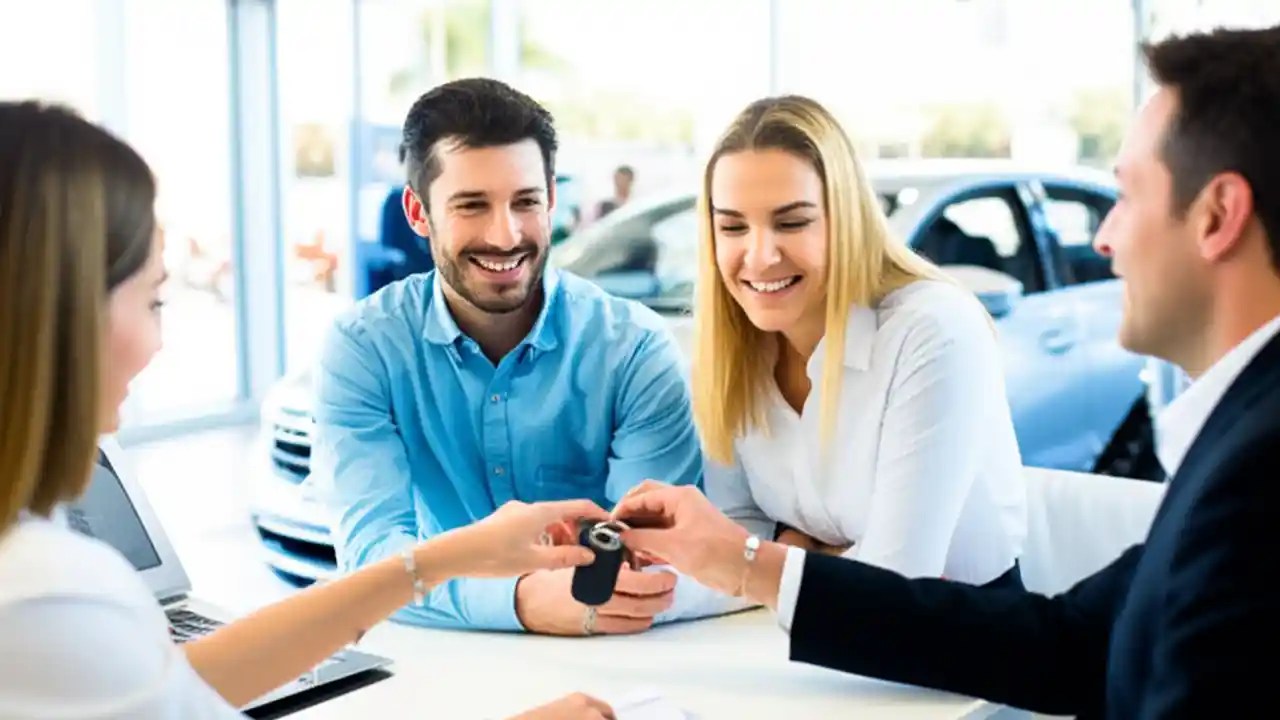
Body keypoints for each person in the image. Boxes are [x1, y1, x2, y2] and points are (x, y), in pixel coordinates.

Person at [611, 25, 1280, 719]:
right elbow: (1074, 642)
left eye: (1127, 196)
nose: (1103, 238)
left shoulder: (1255, 470)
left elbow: (899, 578)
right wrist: (750, 558)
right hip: (855, 652)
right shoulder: (1234, 445)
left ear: (1219, 215)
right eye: (732, 226)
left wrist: (757, 559)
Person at [0, 101, 615, 720]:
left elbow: (170, 686)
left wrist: (451, 556)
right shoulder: (45, 595)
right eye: (154, 300)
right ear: (56, 314)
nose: (159, 342)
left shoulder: (44, 588)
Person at [310, 78, 739, 637]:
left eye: (526, 202)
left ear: (552, 201)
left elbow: (648, 553)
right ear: (418, 213)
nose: (505, 234)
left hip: (612, 649)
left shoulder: (632, 347)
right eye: (472, 205)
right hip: (441, 652)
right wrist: (519, 598)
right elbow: (370, 557)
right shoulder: (364, 347)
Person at [692, 94, 1026, 589]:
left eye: (792, 222)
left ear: (845, 220)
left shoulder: (933, 330)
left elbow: (893, 584)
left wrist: (779, 553)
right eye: (733, 226)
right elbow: (734, 522)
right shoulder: (733, 348)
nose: (759, 257)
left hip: (962, 648)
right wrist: (812, 556)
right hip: (790, 637)